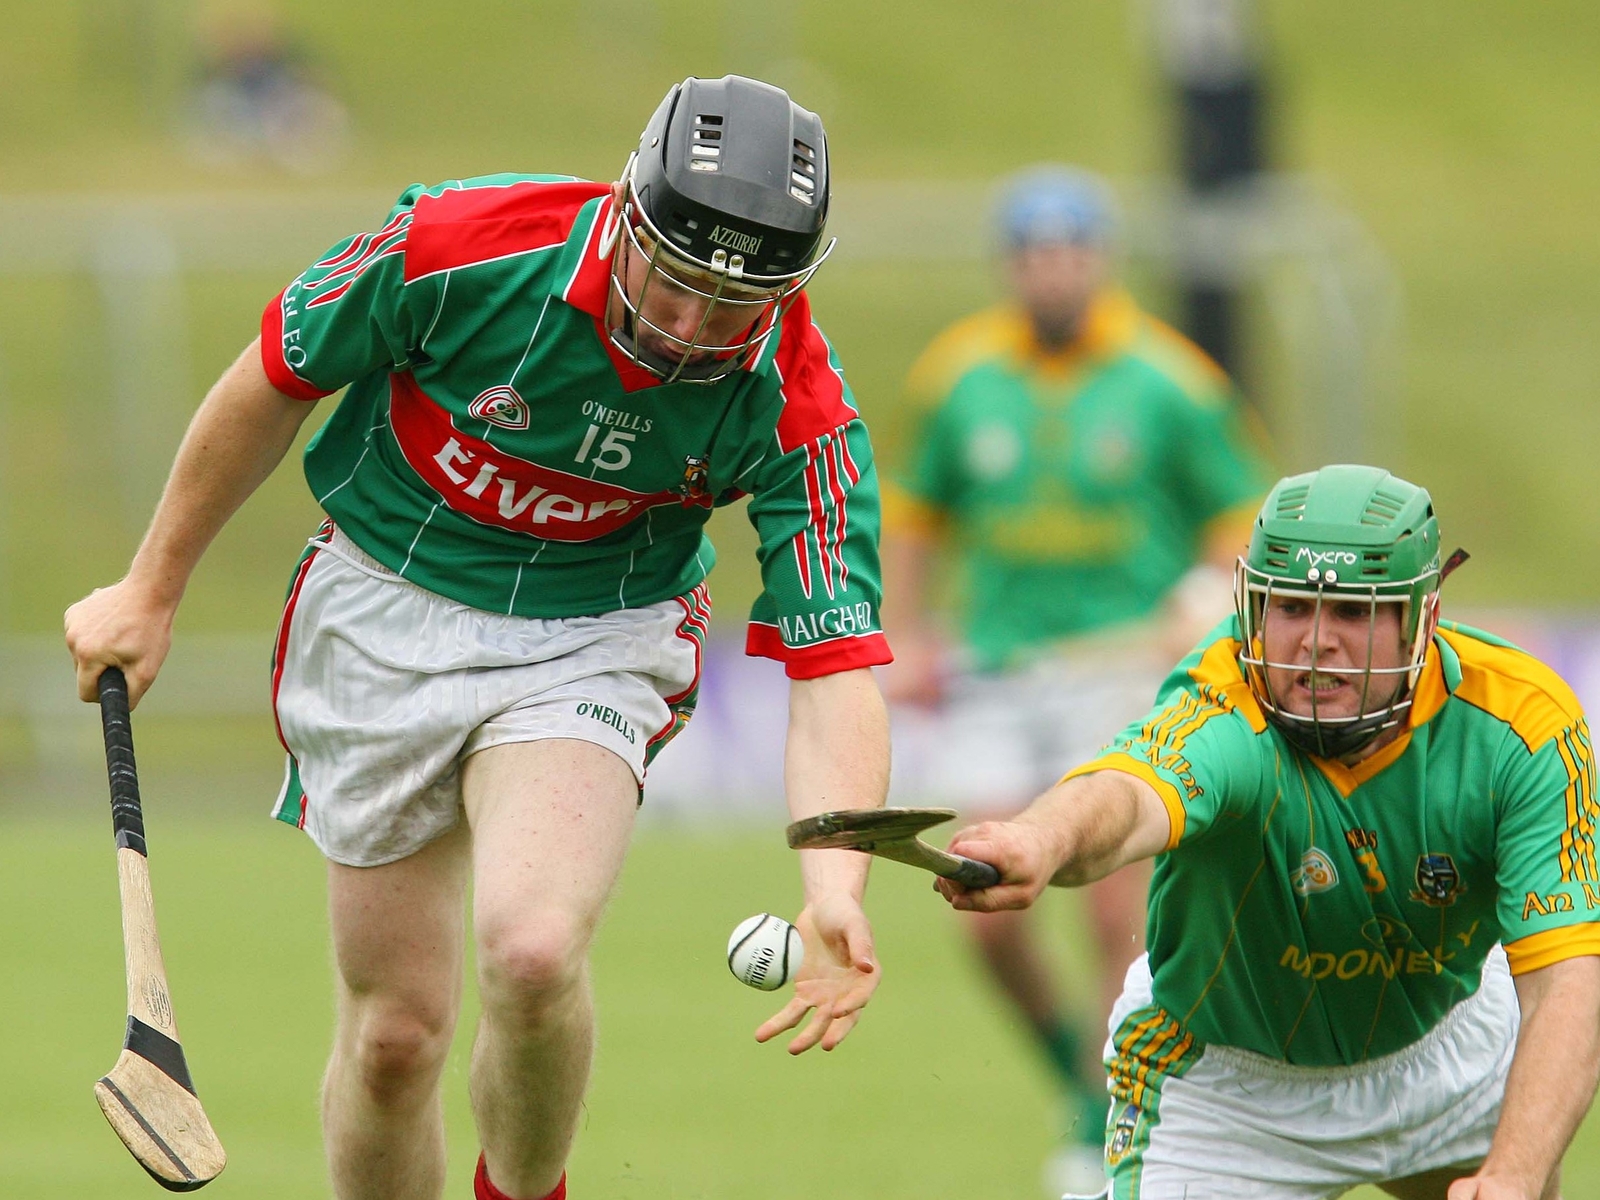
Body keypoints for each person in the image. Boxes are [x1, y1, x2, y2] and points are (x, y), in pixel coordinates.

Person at [65, 75, 892, 1200]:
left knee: (534, 948)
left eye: (735, 305)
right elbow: (277, 374)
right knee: (396, 1038)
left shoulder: (796, 401)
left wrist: (836, 876)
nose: (694, 328)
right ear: (627, 217)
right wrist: (151, 586)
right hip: (380, 606)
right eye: (679, 282)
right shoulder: (464, 243)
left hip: (595, 635)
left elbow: (834, 662)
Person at [937, 464, 1600, 1199]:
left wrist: (1512, 1176)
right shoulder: (1226, 705)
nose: (1316, 643)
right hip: (1226, 1089)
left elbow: (1569, 982)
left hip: (1446, 1049)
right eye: (1290, 606)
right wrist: (1040, 838)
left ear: (1425, 618)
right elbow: (1124, 795)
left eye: (1352, 611)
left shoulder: (1524, 726)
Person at [879, 163, 1270, 1189]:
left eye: (1069, 252)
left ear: (1098, 261)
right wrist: (908, 636)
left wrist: (1200, 602)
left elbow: (1240, 512)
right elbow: (918, 514)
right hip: (998, 673)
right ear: (1011, 267)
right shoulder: (960, 374)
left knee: (1112, 912)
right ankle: (1072, 1073)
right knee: (980, 891)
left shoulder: (1169, 380)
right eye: (1032, 254)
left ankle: (1117, 1115)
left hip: (1120, 678)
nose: (1051, 272)